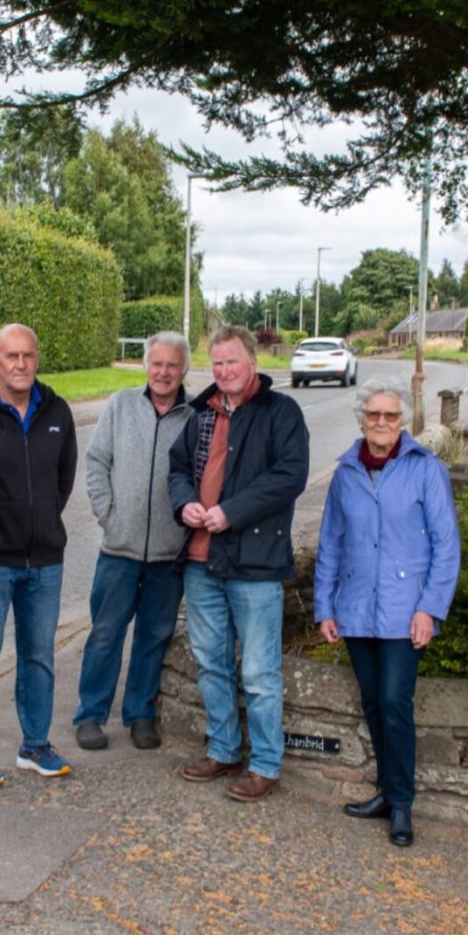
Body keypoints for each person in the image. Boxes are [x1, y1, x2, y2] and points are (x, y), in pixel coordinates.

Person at [312, 383, 460, 845]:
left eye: (390, 416)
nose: (381, 422)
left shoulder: (426, 470)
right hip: (356, 608)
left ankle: (402, 804)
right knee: (373, 701)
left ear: (404, 422)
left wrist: (429, 609)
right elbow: (330, 544)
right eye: (373, 414)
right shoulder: (346, 474)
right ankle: (385, 791)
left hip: (403, 612)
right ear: (361, 419)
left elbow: (446, 546)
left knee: (396, 702)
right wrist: (324, 607)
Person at [171, 326, 310, 803]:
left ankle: (266, 764)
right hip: (200, 559)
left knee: (258, 672)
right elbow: (177, 469)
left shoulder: (281, 412)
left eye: (232, 362)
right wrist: (184, 503)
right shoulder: (201, 414)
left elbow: (290, 476)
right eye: (217, 363)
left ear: (252, 362)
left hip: (255, 564)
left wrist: (232, 511)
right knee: (210, 663)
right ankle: (225, 748)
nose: (225, 371)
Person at [0, 323, 78, 786]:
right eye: (11, 356)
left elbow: (63, 479)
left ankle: (34, 746)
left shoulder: (58, 411)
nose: (21, 364)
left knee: (39, 656)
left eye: (28, 355)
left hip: (46, 560)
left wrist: (43, 519)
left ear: (37, 358)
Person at [74, 331, 195, 752]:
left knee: (154, 634)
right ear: (146, 366)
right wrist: (108, 515)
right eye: (157, 364)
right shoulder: (121, 406)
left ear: (184, 369)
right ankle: (90, 715)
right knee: (105, 633)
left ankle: (140, 714)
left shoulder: (196, 416)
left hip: (169, 553)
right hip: (118, 551)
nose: (163, 372)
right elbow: (95, 461)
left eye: (172, 365)